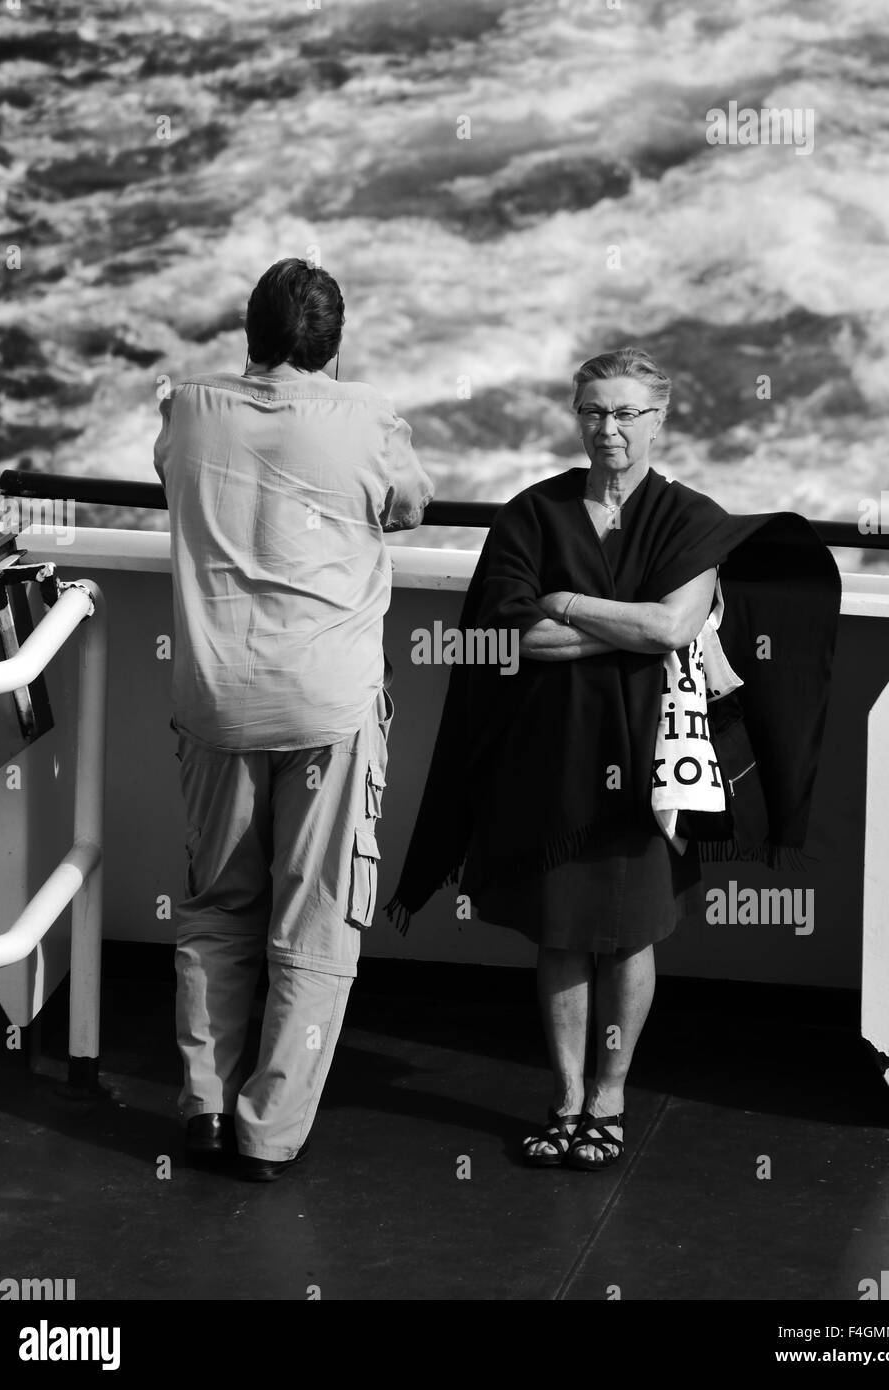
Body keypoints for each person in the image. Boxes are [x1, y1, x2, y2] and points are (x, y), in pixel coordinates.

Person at [386, 346, 840, 1172]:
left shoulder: (690, 517)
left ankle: (610, 1099)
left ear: (660, 420)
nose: (609, 429)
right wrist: (608, 622)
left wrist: (559, 601)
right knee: (559, 935)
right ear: (577, 417)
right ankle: (564, 1098)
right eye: (594, 411)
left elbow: (669, 630)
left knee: (629, 935)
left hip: (651, 761)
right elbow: (505, 635)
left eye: (628, 413)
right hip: (546, 761)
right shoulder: (531, 514)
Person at [154, 258, 434, 1181]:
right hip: (324, 708)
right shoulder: (367, 418)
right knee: (311, 922)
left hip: (213, 700)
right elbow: (410, 507)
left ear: (250, 334)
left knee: (215, 907)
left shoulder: (187, 408)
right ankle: (266, 1134)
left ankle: (201, 1107)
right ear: (334, 343)